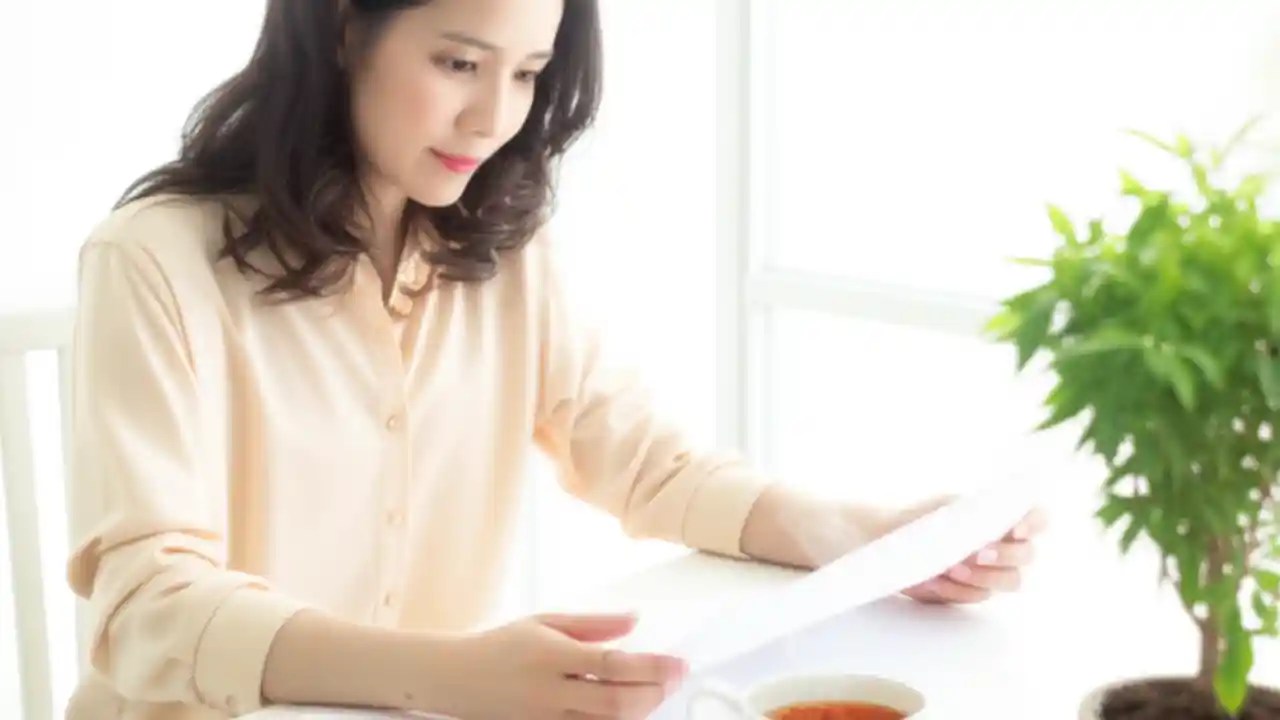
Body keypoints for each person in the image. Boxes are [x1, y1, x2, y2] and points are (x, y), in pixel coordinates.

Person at [64, 1, 1046, 718]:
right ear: (343, 30)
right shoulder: (153, 262)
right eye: (458, 62)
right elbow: (146, 598)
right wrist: (443, 675)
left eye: (527, 72)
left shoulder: (496, 251)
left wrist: (870, 540)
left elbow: (645, 463)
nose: (495, 117)